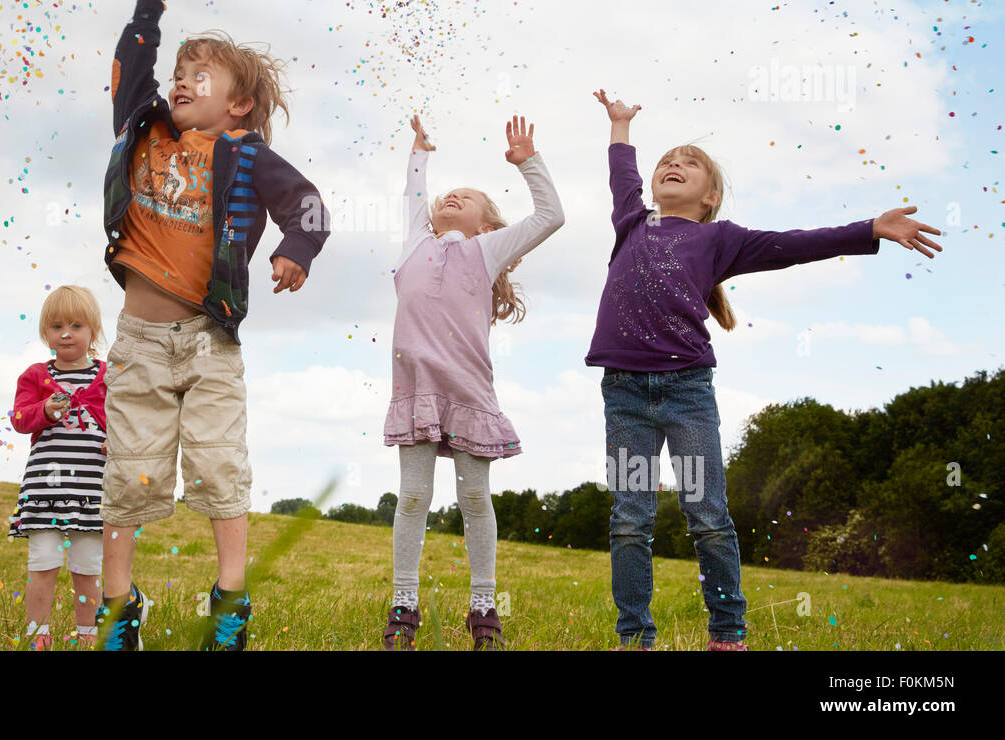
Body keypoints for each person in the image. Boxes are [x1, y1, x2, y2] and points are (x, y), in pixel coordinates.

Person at [586, 88, 943, 650]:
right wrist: (620, 125)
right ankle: (634, 637)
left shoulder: (718, 239)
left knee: (706, 515)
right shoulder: (633, 221)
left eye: (690, 163)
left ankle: (727, 634)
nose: (674, 165)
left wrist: (869, 228)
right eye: (666, 162)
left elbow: (791, 245)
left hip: (686, 395)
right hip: (626, 396)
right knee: (631, 518)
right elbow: (619, 171)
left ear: (710, 198)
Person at [96, 0, 330, 650]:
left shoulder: (246, 155)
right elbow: (130, 73)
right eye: (179, 74)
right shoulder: (145, 127)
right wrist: (149, 12)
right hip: (138, 340)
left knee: (219, 465)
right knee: (130, 472)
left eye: (201, 77)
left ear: (238, 105)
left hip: (210, 341)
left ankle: (230, 598)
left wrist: (297, 250)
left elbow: (310, 207)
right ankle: (117, 608)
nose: (180, 83)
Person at [382, 113, 564, 650]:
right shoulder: (414, 242)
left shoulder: (487, 250)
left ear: (489, 226)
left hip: (468, 395)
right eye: (448, 195)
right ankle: (403, 605)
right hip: (415, 391)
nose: (451, 197)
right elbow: (414, 195)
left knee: (473, 498)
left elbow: (552, 216)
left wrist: (527, 162)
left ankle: (483, 607)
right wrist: (419, 154)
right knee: (412, 497)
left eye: (467, 196)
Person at [9, 285, 109, 649]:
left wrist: (117, 440)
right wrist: (44, 411)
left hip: (91, 491)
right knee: (43, 562)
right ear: (45, 333)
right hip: (45, 490)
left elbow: (123, 419)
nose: (65, 333)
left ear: (92, 331)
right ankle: (37, 637)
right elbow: (20, 419)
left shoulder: (107, 377)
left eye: (76, 325)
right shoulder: (36, 376)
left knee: (87, 566)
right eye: (56, 326)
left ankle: (88, 636)